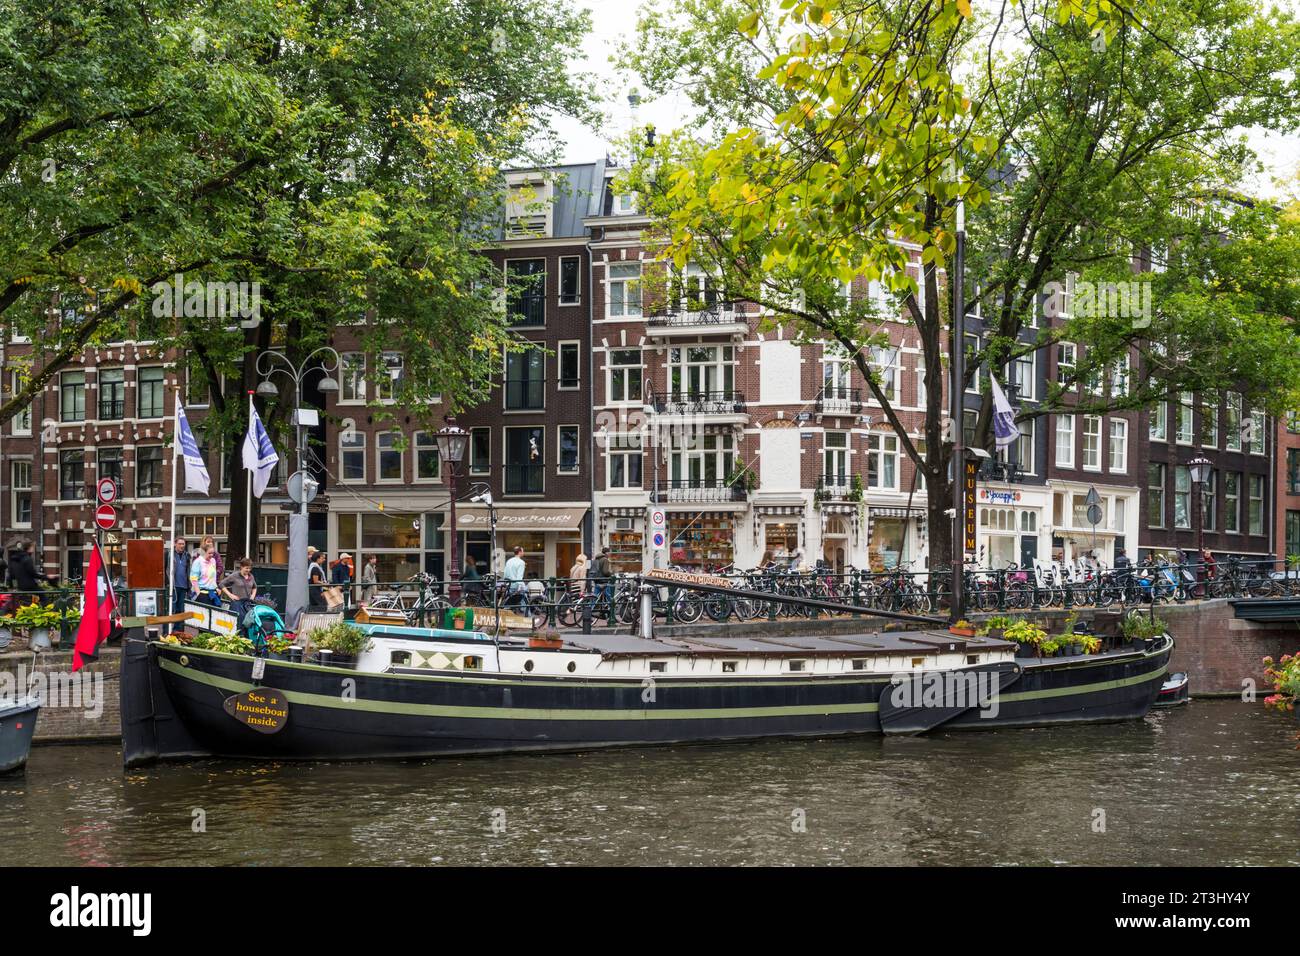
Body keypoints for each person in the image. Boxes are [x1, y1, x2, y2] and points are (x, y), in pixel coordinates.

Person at [219, 558, 259, 626]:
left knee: (248, 622)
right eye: (246, 568)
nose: (248, 570)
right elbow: (221, 584)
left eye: (250, 568)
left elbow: (254, 587)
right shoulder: (235, 575)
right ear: (241, 567)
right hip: (237, 603)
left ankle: (245, 636)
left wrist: (252, 596)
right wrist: (230, 595)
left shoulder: (251, 576)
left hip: (247, 603)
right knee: (238, 622)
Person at [169, 537, 190, 633]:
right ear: (175, 544)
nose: (182, 546)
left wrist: (189, 586)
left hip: (184, 586)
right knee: (173, 609)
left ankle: (179, 630)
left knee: (182, 610)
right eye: (180, 544)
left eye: (183, 544)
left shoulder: (187, 555)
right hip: (173, 586)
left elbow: (188, 570)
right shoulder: (170, 554)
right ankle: (170, 630)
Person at [503, 546, 527, 611]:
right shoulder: (521, 562)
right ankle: (529, 617)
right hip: (516, 585)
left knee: (508, 603)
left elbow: (505, 574)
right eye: (522, 551)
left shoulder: (509, 561)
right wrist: (520, 586)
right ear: (519, 552)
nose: (523, 552)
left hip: (509, 584)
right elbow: (519, 577)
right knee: (525, 599)